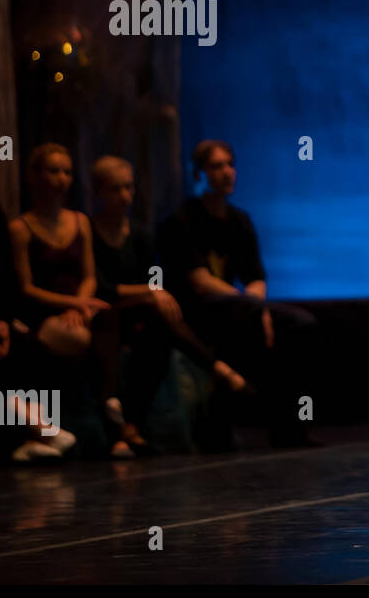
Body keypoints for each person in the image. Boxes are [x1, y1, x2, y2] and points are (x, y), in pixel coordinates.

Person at [157, 140, 317, 447]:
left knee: (302, 324)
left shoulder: (240, 221)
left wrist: (256, 307)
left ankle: (290, 428)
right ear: (199, 174)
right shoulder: (182, 221)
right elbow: (200, 281)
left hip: (239, 308)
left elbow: (256, 277)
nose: (227, 172)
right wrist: (253, 307)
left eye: (230, 164)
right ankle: (224, 420)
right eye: (217, 166)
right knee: (249, 320)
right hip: (198, 311)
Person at [90, 155, 254, 441]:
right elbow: (101, 288)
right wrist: (151, 292)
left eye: (129, 188)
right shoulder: (89, 231)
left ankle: (132, 424)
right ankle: (217, 368)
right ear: (100, 192)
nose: (125, 196)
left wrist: (153, 291)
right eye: (116, 189)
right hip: (105, 313)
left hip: (141, 313)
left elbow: (153, 277)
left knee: (159, 333)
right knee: (156, 311)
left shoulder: (139, 234)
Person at [8, 144, 142, 457]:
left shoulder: (80, 222)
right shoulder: (21, 228)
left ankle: (110, 404)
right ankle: (107, 425)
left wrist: (79, 305)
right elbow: (26, 288)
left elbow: (90, 277)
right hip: (42, 313)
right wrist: (67, 306)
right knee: (77, 337)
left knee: (107, 317)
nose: (61, 178)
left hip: (78, 309)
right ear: (35, 176)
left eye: (67, 171)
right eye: (53, 171)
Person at [0, 130, 76, 463]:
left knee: (31, 350)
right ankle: (33, 429)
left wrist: (1, 321)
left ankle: (19, 438)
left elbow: (1, 279)